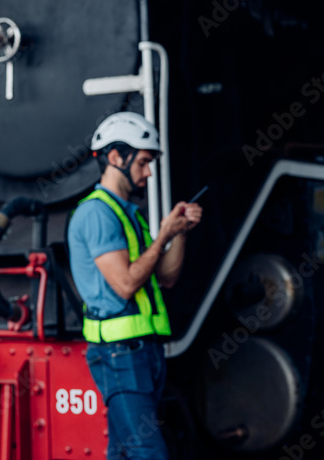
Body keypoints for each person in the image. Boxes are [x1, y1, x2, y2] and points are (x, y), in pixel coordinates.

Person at [67, 112, 202, 460]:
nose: (149, 172)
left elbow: (166, 277)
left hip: (142, 354)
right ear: (115, 158)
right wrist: (163, 237)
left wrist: (178, 234)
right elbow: (126, 284)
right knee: (148, 453)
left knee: (124, 452)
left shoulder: (128, 214)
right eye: (143, 162)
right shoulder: (96, 213)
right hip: (119, 354)